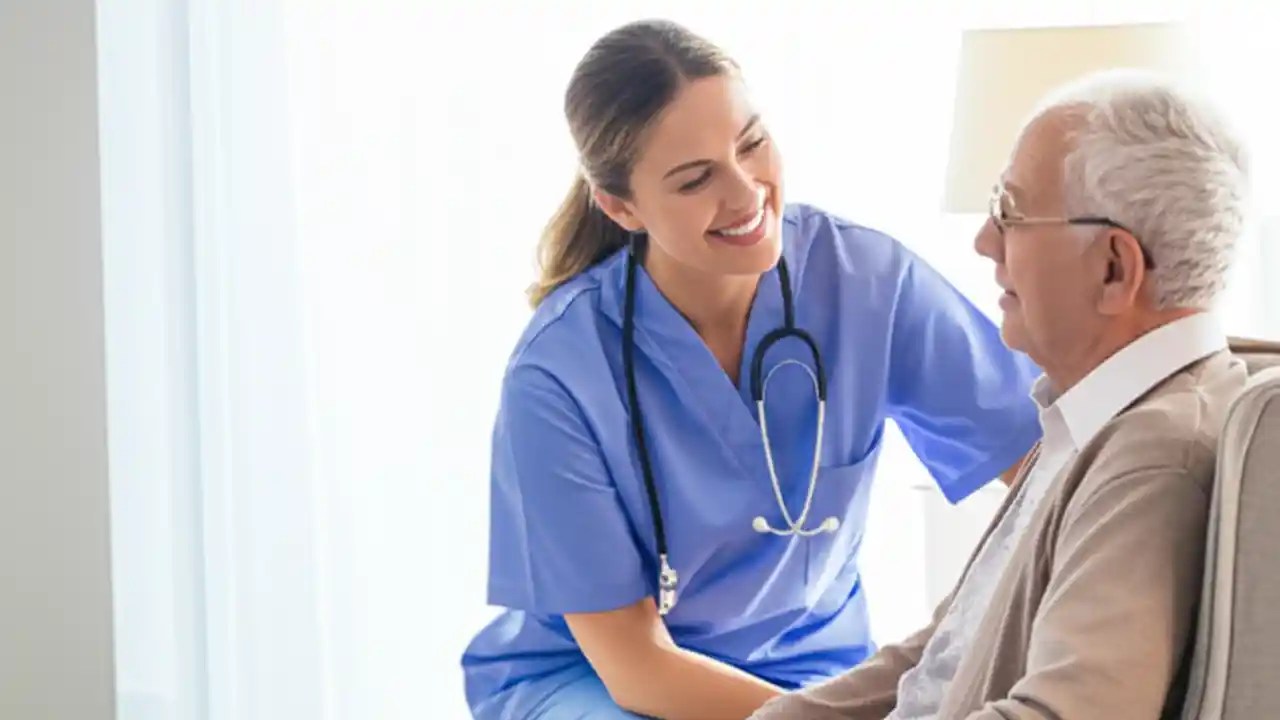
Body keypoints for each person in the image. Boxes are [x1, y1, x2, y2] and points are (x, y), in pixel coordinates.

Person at [461, 19, 1041, 720]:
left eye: (751, 144)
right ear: (619, 206)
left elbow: (1048, 464)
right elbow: (634, 666)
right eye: (695, 179)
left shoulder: (864, 282)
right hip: (601, 684)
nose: (746, 195)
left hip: (818, 675)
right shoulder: (558, 373)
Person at [751, 70, 1252, 720]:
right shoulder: (1097, 415)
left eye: (1011, 213)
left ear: (1114, 268)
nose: (985, 242)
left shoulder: (1155, 458)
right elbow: (946, 653)